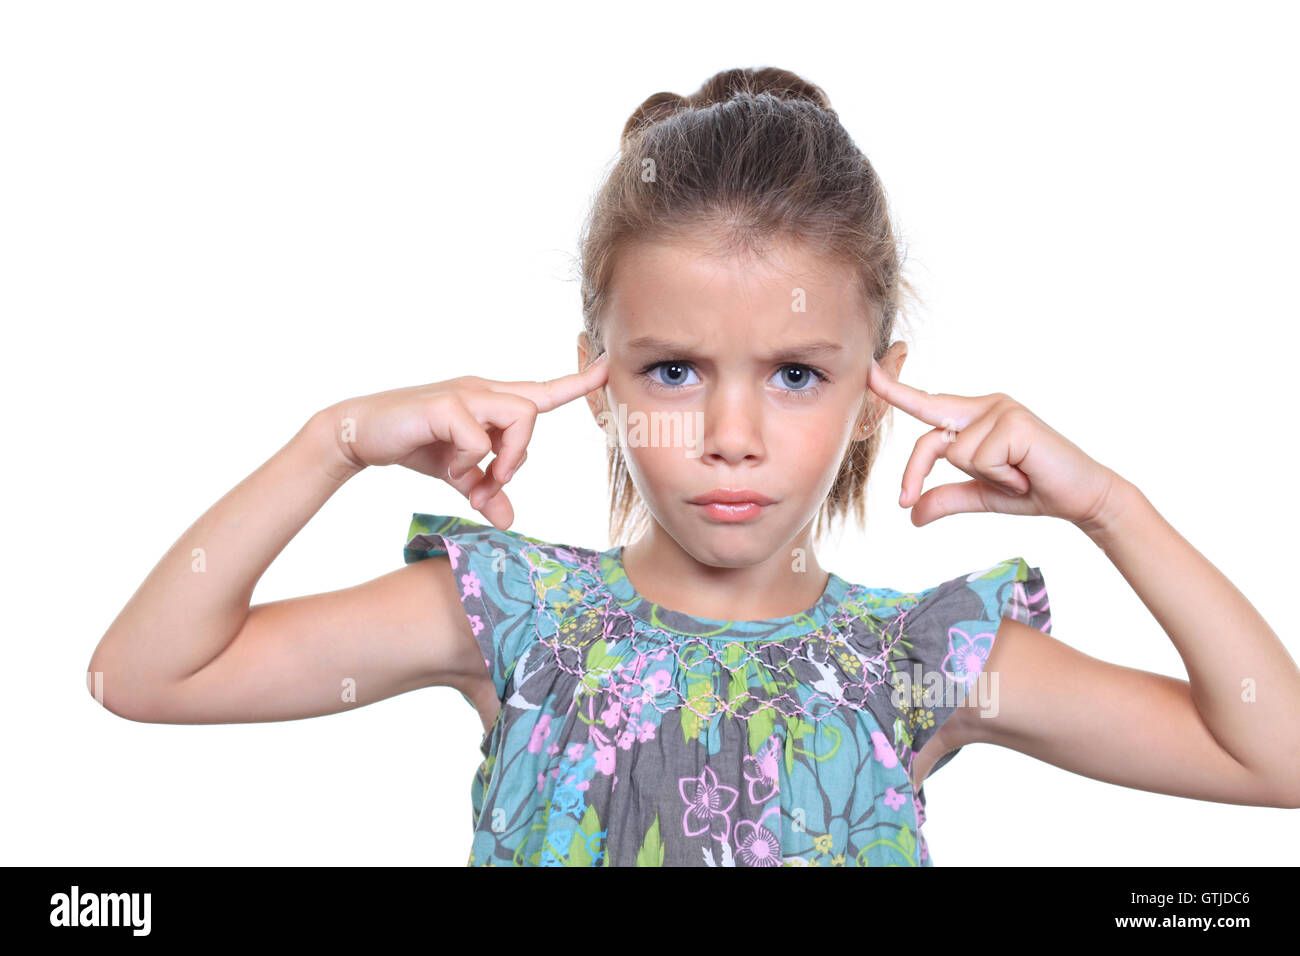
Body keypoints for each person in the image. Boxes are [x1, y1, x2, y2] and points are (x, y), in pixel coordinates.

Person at [87, 66, 1300, 867]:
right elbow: (143, 673)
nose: (732, 432)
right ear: (595, 374)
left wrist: (1108, 505)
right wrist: (334, 440)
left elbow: (1276, 757)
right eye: (672, 370)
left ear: (878, 385)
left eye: (794, 374)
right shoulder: (515, 621)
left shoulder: (920, 662)